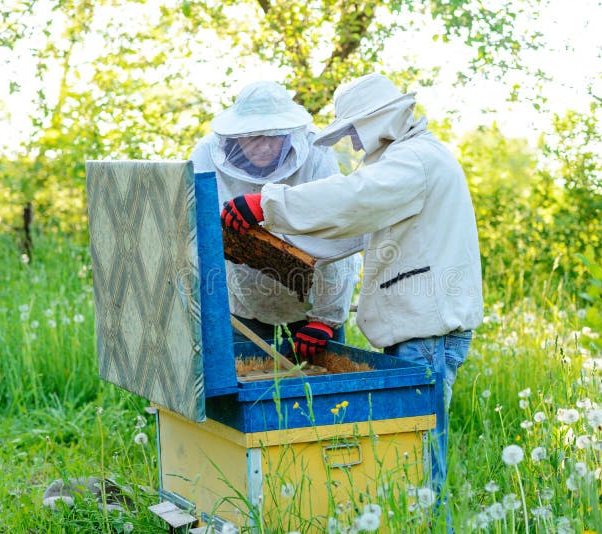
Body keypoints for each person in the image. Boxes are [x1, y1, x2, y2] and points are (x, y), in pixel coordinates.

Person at [220, 73, 483, 529]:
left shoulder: (414, 161)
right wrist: (272, 246)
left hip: (429, 336)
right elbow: (349, 234)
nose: (355, 146)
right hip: (420, 334)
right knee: (413, 454)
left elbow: (351, 199)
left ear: (378, 119)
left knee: (423, 456)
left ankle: (429, 526)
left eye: (354, 132)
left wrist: (268, 204)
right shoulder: (407, 162)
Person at [191, 81, 360, 359]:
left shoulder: (316, 153)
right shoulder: (206, 154)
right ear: (236, 135)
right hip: (243, 296)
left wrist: (325, 318)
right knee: (249, 392)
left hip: (313, 301)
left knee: (322, 393)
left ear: (289, 133)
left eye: (274, 136)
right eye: (254, 136)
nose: (265, 146)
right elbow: (193, 227)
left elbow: (338, 231)